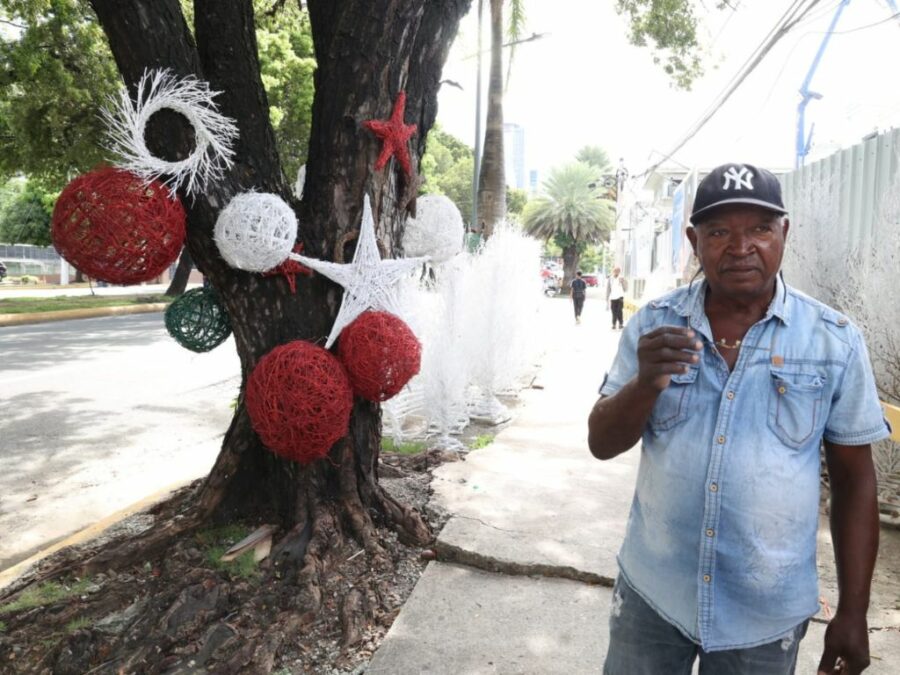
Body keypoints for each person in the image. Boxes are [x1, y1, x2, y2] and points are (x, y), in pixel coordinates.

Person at [588, 163, 889, 675]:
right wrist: (644, 384)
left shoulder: (833, 341)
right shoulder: (655, 325)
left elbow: (855, 481)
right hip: (654, 595)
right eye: (720, 231)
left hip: (765, 613)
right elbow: (602, 442)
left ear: (784, 233)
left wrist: (854, 613)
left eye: (760, 229)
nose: (741, 246)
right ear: (694, 240)